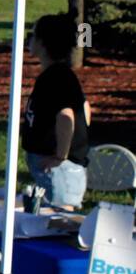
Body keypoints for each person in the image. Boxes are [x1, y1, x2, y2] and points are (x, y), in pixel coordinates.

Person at [23, 12, 90, 210]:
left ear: (44, 43)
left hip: (59, 171)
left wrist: (61, 156)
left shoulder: (57, 77)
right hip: (54, 169)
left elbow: (66, 116)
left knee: (57, 222)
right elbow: (85, 109)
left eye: (33, 35)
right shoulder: (57, 75)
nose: (30, 39)